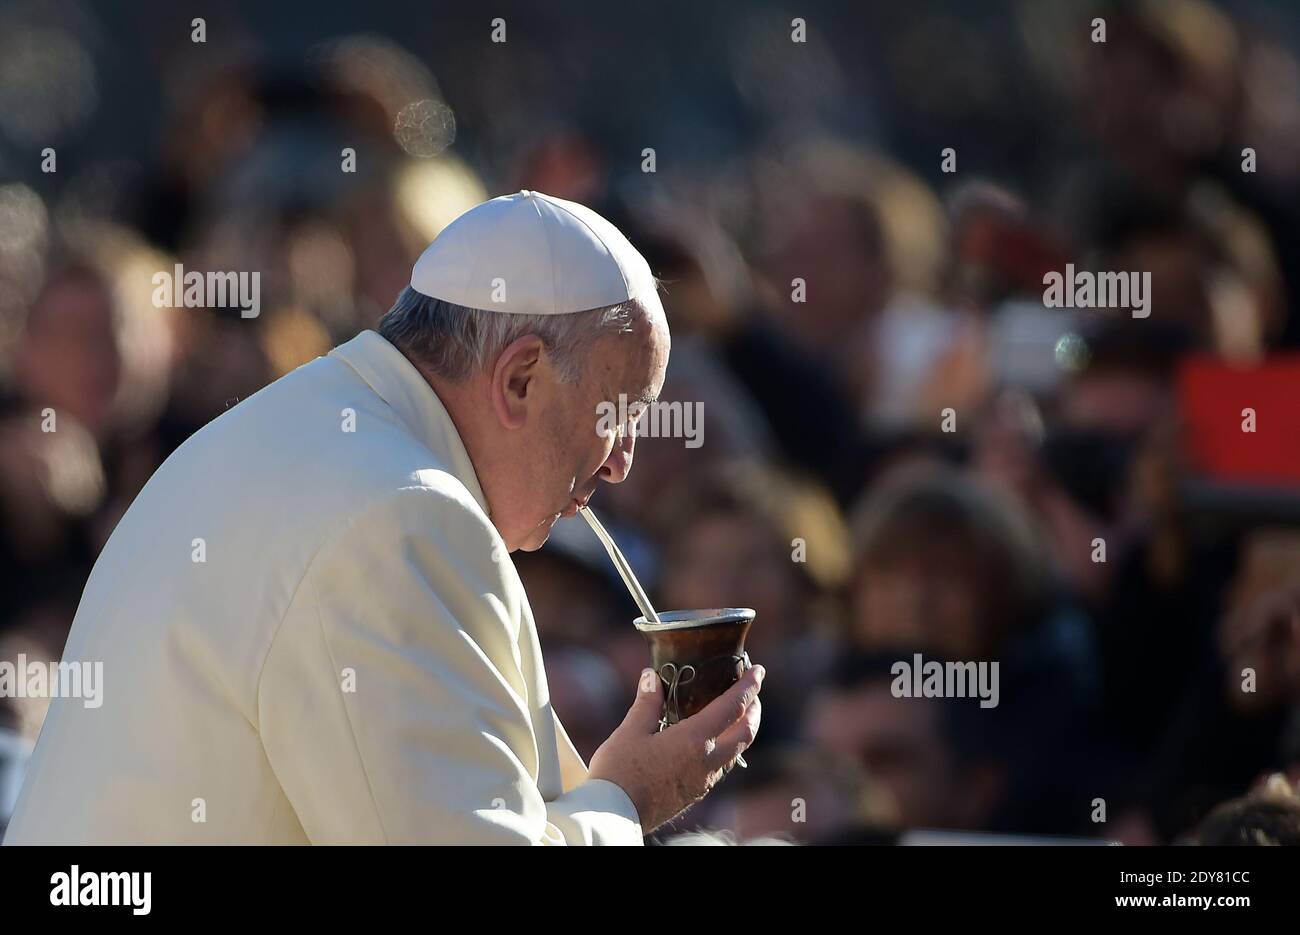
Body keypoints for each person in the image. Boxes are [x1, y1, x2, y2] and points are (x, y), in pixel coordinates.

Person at [4, 191, 763, 845]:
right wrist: (626, 800)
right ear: (521, 378)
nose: (623, 459)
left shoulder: (283, 433)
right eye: (618, 411)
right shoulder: (402, 513)